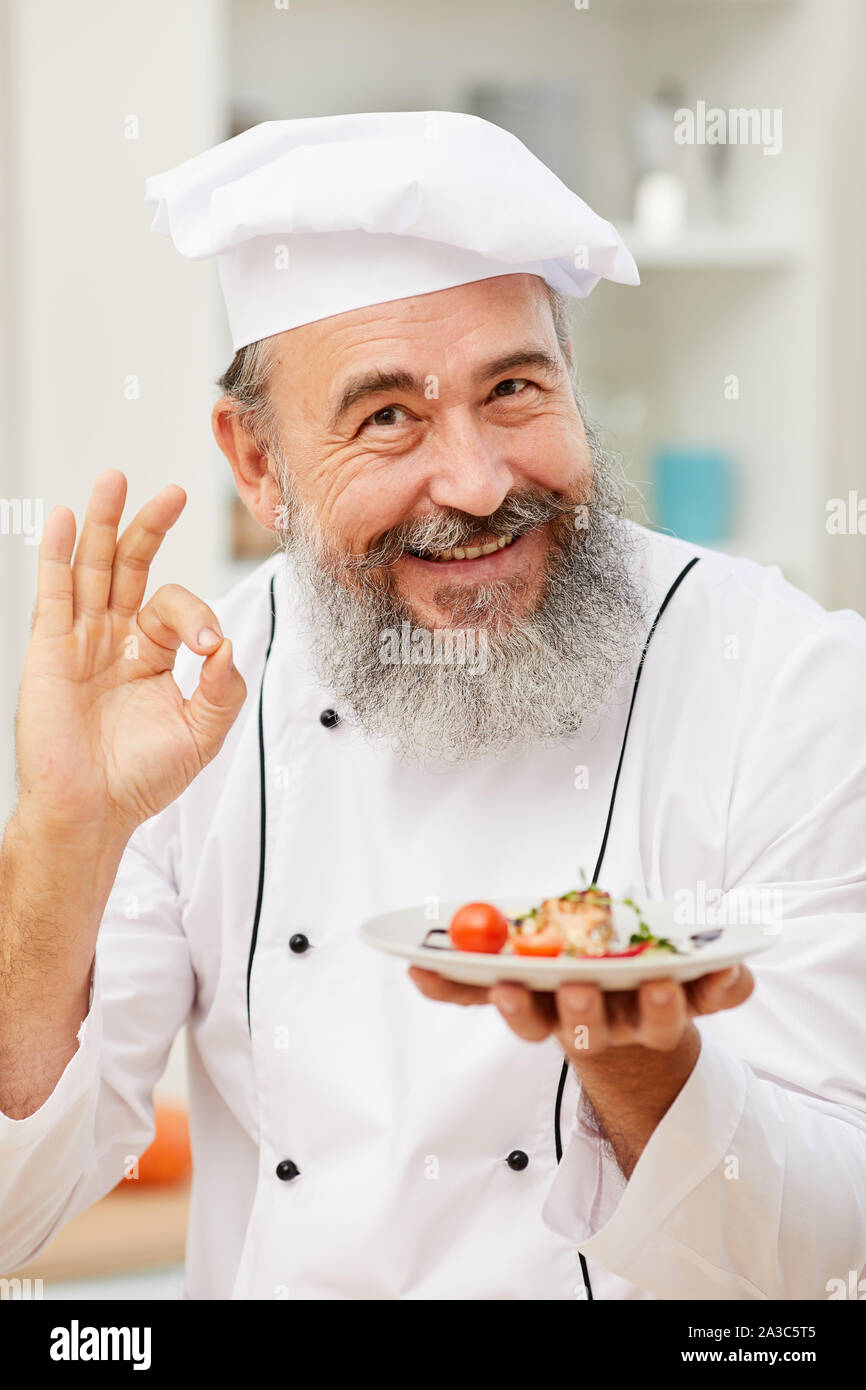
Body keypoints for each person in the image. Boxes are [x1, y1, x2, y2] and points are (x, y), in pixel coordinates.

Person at [0, 112, 864, 1301]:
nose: (475, 482)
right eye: (386, 416)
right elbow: (13, 1206)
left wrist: (647, 1067)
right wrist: (62, 834)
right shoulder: (198, 697)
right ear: (255, 465)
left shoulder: (788, 683)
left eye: (513, 388)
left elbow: (826, 1261)